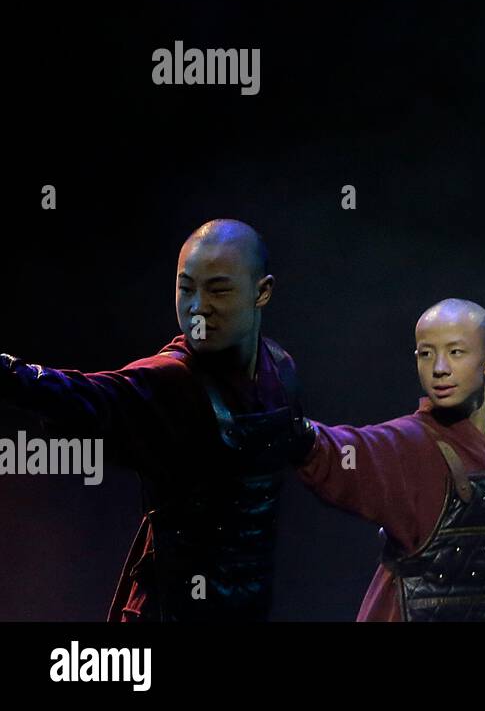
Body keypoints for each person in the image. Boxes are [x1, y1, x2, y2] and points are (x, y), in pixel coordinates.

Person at [0, 219, 312, 621]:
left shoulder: (281, 370)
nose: (198, 307)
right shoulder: (171, 381)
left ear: (262, 291)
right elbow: (78, 395)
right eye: (186, 289)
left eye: (218, 289)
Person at [296, 299, 485, 622]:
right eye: (427, 354)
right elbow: (347, 450)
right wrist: (300, 435)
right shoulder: (410, 442)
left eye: (455, 352)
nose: (439, 368)